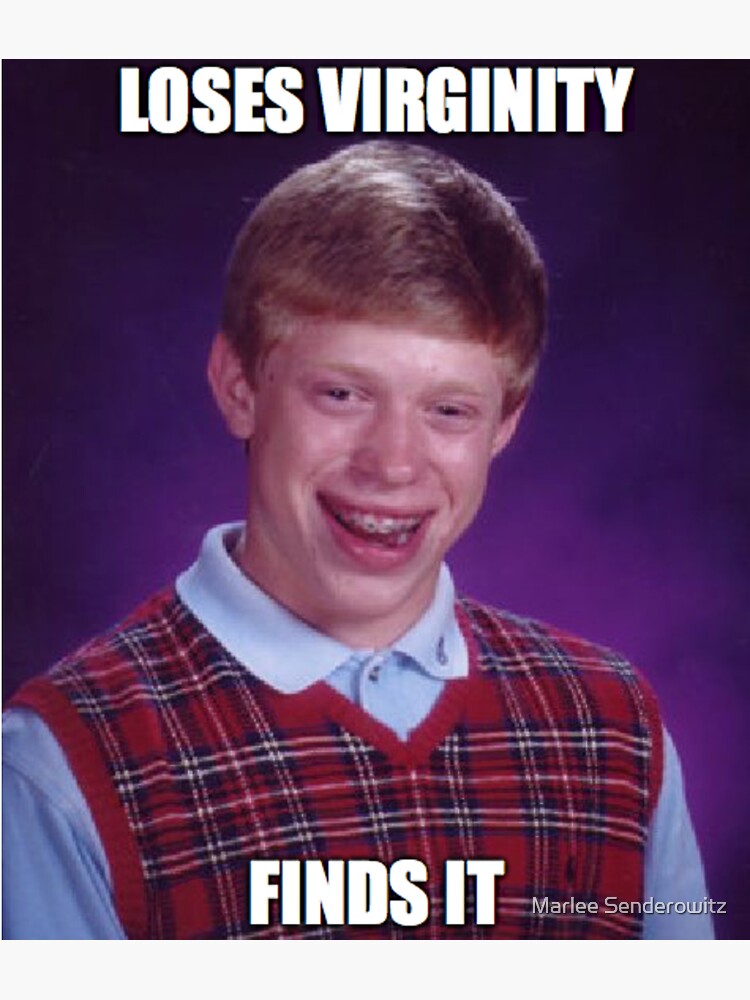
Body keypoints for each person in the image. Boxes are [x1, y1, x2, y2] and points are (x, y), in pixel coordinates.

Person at [2, 141, 712, 940]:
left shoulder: (614, 731)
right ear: (239, 387)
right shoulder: (62, 766)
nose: (393, 463)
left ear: (505, 425)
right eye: (342, 394)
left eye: (449, 410)